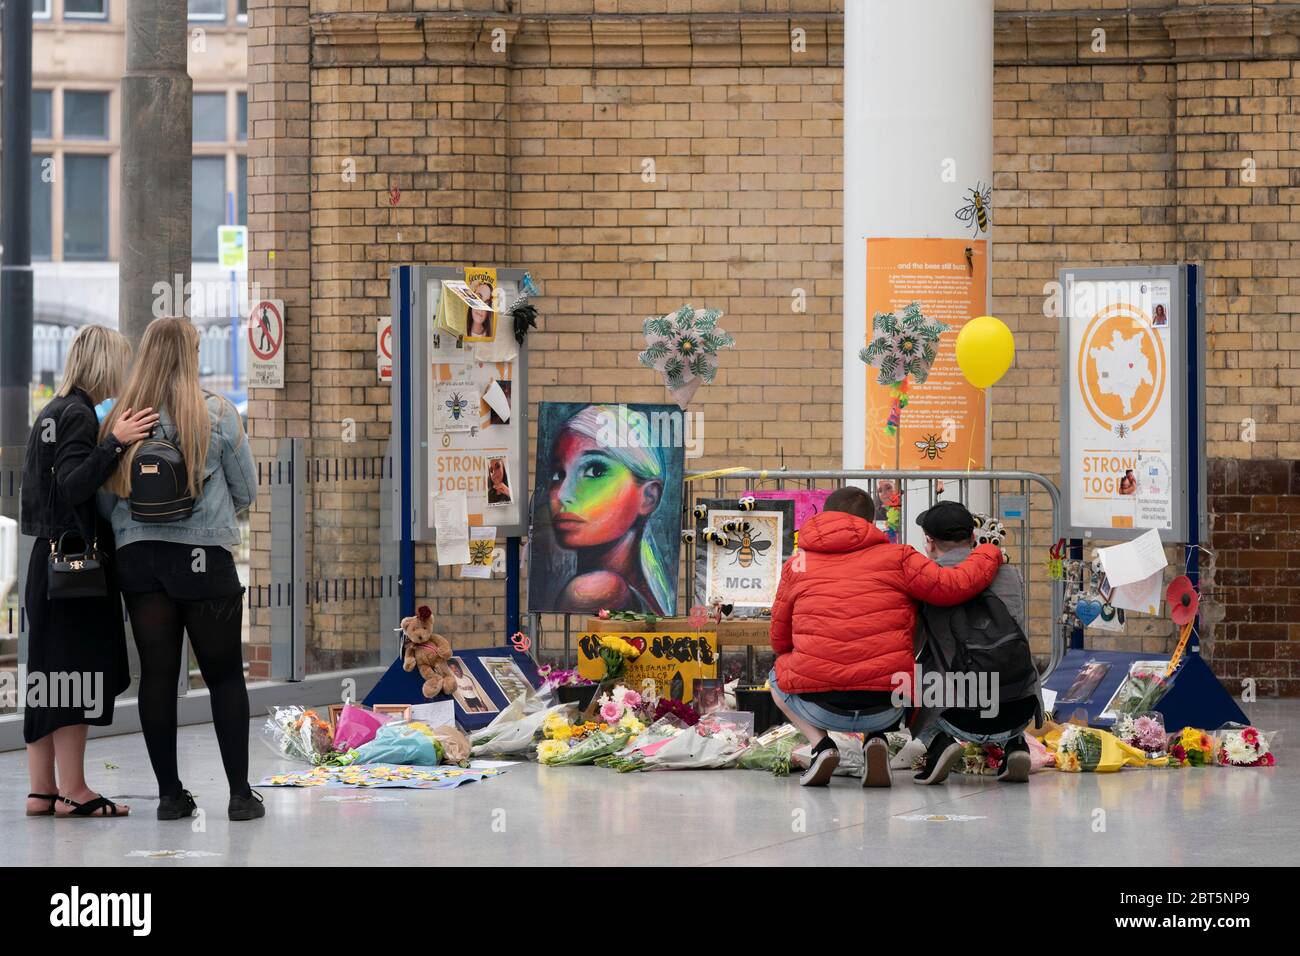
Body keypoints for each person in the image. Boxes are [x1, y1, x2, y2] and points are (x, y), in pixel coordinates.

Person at [97, 318, 261, 821]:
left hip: (140, 562)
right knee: (225, 676)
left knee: (159, 676)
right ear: (192, 354)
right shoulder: (215, 414)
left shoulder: (120, 419)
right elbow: (247, 492)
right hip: (203, 562)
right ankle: (238, 796)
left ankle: (170, 796)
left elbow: (106, 502)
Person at [768, 486, 1005, 788]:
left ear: (825, 516)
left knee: (776, 674)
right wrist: (986, 550)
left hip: (819, 705)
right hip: (886, 706)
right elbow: (954, 585)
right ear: (872, 520)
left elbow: (778, 640)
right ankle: (876, 740)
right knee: (901, 661)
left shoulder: (797, 565)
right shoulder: (899, 556)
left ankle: (821, 746)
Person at [20, 325, 158, 818]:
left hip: (46, 561)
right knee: (74, 674)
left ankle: (42, 790)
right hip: (76, 569)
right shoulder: (78, 414)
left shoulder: (51, 413)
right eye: (119, 363)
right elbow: (77, 485)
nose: (123, 374)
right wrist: (116, 443)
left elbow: (42, 494)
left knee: (48, 676)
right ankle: (74, 791)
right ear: (102, 363)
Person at [910, 501, 1042, 785]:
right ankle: (1015, 745)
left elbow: (912, 643)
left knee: (904, 672)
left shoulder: (924, 581)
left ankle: (938, 742)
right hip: (1017, 709)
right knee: (1006, 657)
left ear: (929, 543)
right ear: (973, 537)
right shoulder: (1010, 574)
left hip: (959, 717)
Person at [544, 404, 673, 616]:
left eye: (594, 471)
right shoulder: (652, 596)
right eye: (559, 474)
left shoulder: (599, 589)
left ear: (648, 497)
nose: (562, 494)